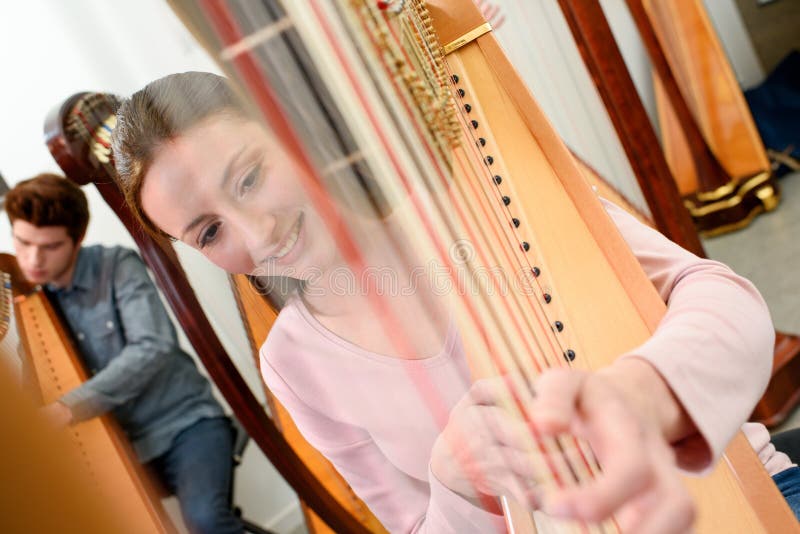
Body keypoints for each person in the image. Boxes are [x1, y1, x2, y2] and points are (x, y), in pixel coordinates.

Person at [111, 71, 797, 532]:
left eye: (250, 176)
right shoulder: (293, 364)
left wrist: (639, 394)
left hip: (735, 500)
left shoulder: (476, 193)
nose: (256, 234)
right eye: (208, 232)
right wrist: (454, 485)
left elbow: (726, 301)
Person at [4, 173, 244, 534]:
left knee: (206, 522)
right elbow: (33, 392)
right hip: (122, 448)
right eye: (23, 243)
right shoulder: (31, 305)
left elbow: (153, 347)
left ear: (78, 239)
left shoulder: (117, 266)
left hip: (184, 425)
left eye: (49, 247)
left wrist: (68, 407)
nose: (32, 259)